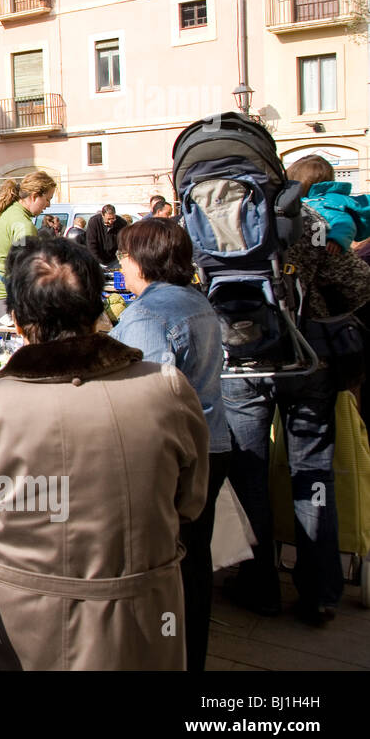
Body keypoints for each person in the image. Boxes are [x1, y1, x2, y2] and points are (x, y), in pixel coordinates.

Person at [0, 237, 209, 670]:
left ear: (17, 320)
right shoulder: (166, 388)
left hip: (21, 629)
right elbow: (189, 502)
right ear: (99, 311)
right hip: (143, 620)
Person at [221, 165, 370, 626]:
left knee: (250, 475)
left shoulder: (217, 217)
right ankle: (320, 591)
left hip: (243, 364)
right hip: (308, 361)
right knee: (313, 472)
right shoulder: (309, 221)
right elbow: (358, 285)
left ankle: (259, 585)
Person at [109, 219, 228, 671]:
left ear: (142, 261)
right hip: (213, 442)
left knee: (169, 565)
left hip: (175, 457)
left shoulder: (147, 315)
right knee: (194, 560)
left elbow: (148, 399)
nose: (120, 264)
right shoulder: (194, 300)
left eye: (124, 255)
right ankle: (189, 653)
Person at [0, 171, 56, 329]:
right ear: (34, 196)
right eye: (47, 199)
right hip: (2, 299)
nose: (48, 205)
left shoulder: (6, 212)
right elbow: (26, 270)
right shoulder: (23, 225)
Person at [287, 155, 370, 252]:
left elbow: (344, 221)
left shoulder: (323, 202)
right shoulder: (310, 201)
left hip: (327, 252)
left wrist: (336, 240)